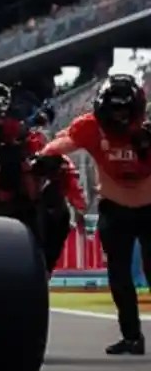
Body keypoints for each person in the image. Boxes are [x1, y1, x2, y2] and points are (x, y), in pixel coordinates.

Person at [40, 73, 151, 355]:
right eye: (114, 111)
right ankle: (131, 337)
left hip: (149, 207)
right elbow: (62, 143)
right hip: (115, 206)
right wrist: (43, 158)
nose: (119, 118)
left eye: (125, 111)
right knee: (119, 275)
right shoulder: (90, 127)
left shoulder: (147, 129)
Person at [0, 83, 86, 273]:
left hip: (30, 207)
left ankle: (44, 270)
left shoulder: (30, 138)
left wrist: (76, 201)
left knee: (57, 211)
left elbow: (61, 165)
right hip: (0, 208)